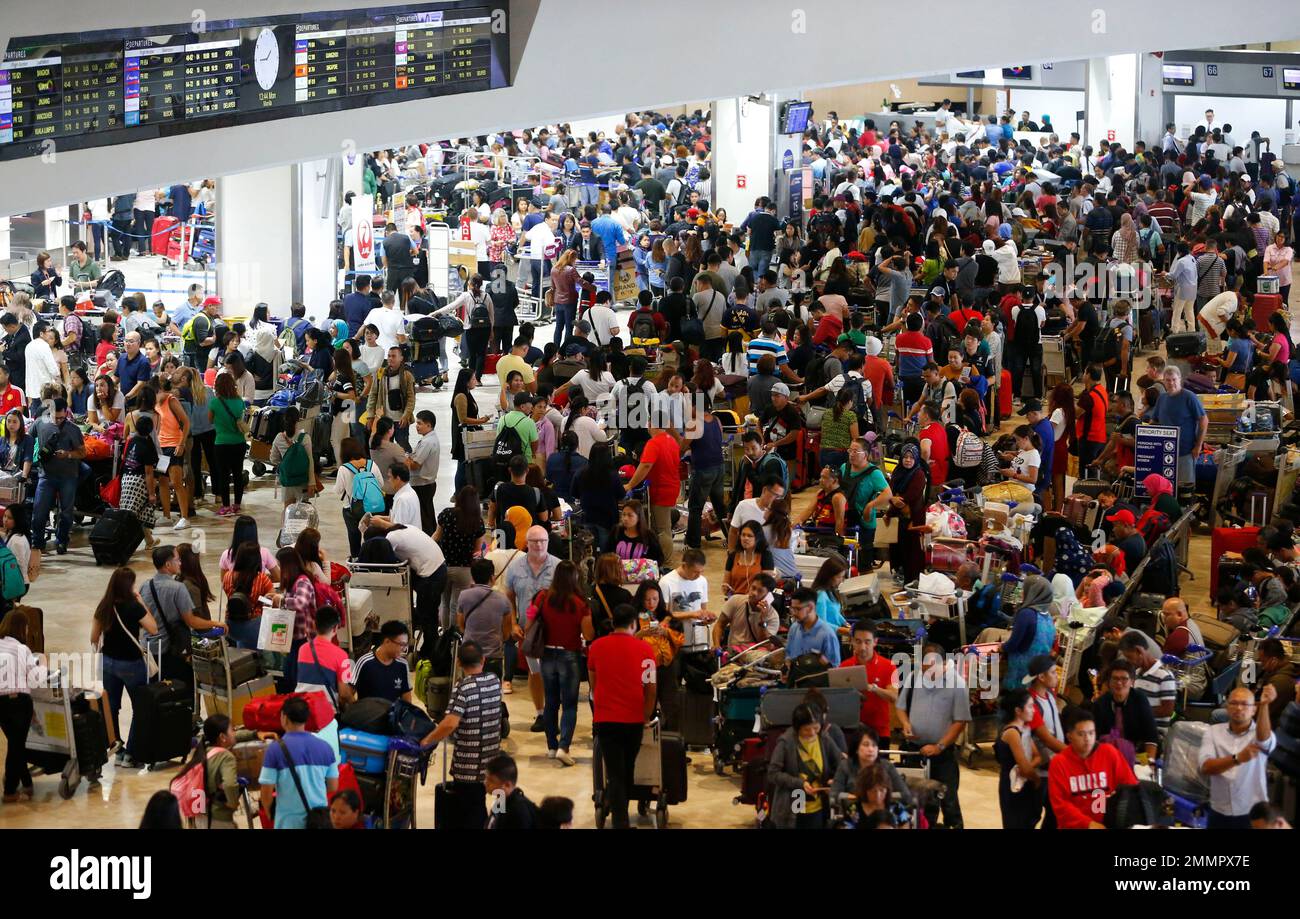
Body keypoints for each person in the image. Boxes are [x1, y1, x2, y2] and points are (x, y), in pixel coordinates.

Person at [419, 641, 503, 829]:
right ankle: (498, 823)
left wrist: (427, 740)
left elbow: (450, 723)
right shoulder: (494, 680)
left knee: (473, 809)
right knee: (500, 797)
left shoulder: (463, 688)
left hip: (468, 765)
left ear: (458, 663)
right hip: (493, 758)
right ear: (483, 659)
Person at [587, 602, 657, 829]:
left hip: (606, 718)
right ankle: (621, 820)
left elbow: (593, 684)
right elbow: (650, 688)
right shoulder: (645, 650)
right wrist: (646, 714)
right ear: (634, 624)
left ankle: (620, 819)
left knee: (615, 772)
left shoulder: (596, 647)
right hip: (634, 718)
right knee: (626, 769)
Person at [897, 643, 971, 829]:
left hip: (943, 755)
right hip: (914, 751)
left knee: (948, 801)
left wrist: (939, 746)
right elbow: (900, 707)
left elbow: (960, 721)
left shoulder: (957, 684)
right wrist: (906, 724)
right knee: (915, 800)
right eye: (925, 666)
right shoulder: (913, 678)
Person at [91, 567, 160, 768]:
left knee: (111, 706)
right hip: (131, 663)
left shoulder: (104, 606)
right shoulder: (133, 606)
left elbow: (93, 638)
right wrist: (141, 602)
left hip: (107, 662)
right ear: (129, 586)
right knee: (140, 706)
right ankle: (131, 754)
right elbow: (153, 628)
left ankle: (117, 748)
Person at [530, 560, 590, 766]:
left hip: (547, 654)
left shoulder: (543, 597)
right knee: (570, 704)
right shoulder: (581, 603)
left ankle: (551, 746)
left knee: (551, 703)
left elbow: (530, 622)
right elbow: (588, 633)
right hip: (570, 655)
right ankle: (564, 747)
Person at [504, 526, 560, 730]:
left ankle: (553, 712)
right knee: (534, 671)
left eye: (543, 541)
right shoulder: (515, 567)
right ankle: (540, 713)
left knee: (554, 673)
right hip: (528, 631)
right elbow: (509, 595)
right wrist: (512, 622)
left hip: (554, 630)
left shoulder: (558, 567)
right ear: (526, 543)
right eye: (534, 541)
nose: (538, 545)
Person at [1047, 706, 1139, 829]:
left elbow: (1130, 786)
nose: (1087, 739)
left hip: (1110, 823)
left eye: (1091, 733)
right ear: (1069, 737)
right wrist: (1088, 824)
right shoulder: (1059, 763)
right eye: (1081, 734)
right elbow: (1060, 805)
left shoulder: (1109, 753)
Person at [258, 696, 339, 830]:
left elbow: (266, 792)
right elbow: (333, 786)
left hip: (288, 823)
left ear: (284, 717)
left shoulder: (275, 749)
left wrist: (269, 814)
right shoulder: (325, 747)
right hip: (318, 822)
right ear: (306, 718)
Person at [767, 702, 843, 829]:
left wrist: (836, 780)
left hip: (819, 803)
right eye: (807, 729)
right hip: (795, 799)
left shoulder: (823, 738)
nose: (812, 733)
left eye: (816, 728)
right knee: (796, 822)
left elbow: (841, 762)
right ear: (797, 728)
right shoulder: (786, 742)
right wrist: (799, 783)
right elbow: (773, 773)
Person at [30, 399, 85, 555]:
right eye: (56, 417)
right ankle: (38, 542)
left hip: (68, 476)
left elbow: (83, 452)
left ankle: (62, 541)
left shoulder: (73, 429)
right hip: (46, 476)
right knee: (39, 511)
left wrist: (68, 454)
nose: (59, 420)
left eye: (62, 417)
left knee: (66, 513)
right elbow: (28, 438)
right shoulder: (40, 423)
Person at [0, 610, 42, 801]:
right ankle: (10, 790)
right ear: (22, 629)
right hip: (18, 701)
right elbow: (35, 678)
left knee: (16, 743)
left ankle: (26, 783)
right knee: (16, 746)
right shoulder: (22, 649)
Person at [839, 620, 899, 745]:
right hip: (851, 731)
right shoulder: (844, 666)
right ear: (852, 641)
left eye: (867, 642)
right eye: (858, 641)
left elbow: (894, 696)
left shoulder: (889, 666)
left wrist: (874, 689)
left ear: (875, 642)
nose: (862, 647)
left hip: (879, 732)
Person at [1090, 660, 1159, 763]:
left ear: (1132, 681)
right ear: (1109, 681)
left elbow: (1151, 736)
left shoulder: (1140, 699)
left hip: (1137, 755)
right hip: (1108, 756)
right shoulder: (1101, 703)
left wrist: (1148, 765)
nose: (1119, 683)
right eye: (1115, 679)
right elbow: (1095, 737)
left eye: (1124, 679)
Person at [995, 688, 1043, 829]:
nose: (1033, 710)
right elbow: (1024, 766)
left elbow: (1037, 757)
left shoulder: (1024, 729)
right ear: (1018, 711)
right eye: (1029, 706)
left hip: (1024, 784)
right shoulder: (1012, 733)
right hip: (1012, 787)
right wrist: (1036, 779)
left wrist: (1028, 770)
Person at [1150, 366, 1206, 487]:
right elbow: (1153, 421)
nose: (1171, 383)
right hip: (1165, 453)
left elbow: (1204, 419)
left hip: (1185, 452)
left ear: (1180, 379)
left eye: (1174, 379)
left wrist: (1198, 445)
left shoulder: (1189, 397)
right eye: (1168, 380)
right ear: (1163, 381)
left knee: (1184, 489)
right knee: (1166, 487)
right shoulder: (1162, 398)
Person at [885, 442, 929, 583]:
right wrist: (892, 500)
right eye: (905, 457)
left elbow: (911, 495)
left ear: (916, 459)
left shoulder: (919, 474)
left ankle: (912, 581)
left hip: (912, 520)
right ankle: (902, 575)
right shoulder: (898, 472)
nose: (908, 460)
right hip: (898, 519)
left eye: (911, 457)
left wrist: (894, 503)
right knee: (899, 550)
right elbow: (890, 493)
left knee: (912, 553)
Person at [208, 371, 248, 516]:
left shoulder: (214, 402)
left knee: (223, 475)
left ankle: (225, 506)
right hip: (239, 442)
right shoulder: (239, 401)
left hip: (222, 443)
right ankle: (237, 504)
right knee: (238, 474)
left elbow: (210, 420)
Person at [364, 347, 416, 452]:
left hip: (401, 420)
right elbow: (373, 395)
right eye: (388, 356)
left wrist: (406, 415)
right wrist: (370, 416)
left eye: (393, 356)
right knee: (385, 447)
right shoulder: (381, 374)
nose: (390, 358)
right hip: (385, 419)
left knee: (403, 446)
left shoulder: (407, 375)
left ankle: (407, 466)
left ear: (401, 358)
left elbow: (411, 398)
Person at [349, 620, 413, 703]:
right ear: (387, 641)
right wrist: (359, 712)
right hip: (370, 715)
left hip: (392, 714)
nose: (404, 649)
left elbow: (407, 698)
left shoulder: (402, 665)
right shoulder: (364, 662)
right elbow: (349, 694)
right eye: (401, 644)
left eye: (406, 645)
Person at [785, 586, 840, 668]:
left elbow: (834, 669)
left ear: (810, 608)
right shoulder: (794, 628)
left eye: (797, 609)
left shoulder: (827, 635)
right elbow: (788, 654)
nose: (794, 613)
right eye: (792, 608)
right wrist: (787, 666)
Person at [484, 753, 540, 829]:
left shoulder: (519, 812)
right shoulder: (501, 798)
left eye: (491, 780)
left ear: (507, 785)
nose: (486, 783)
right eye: (486, 778)